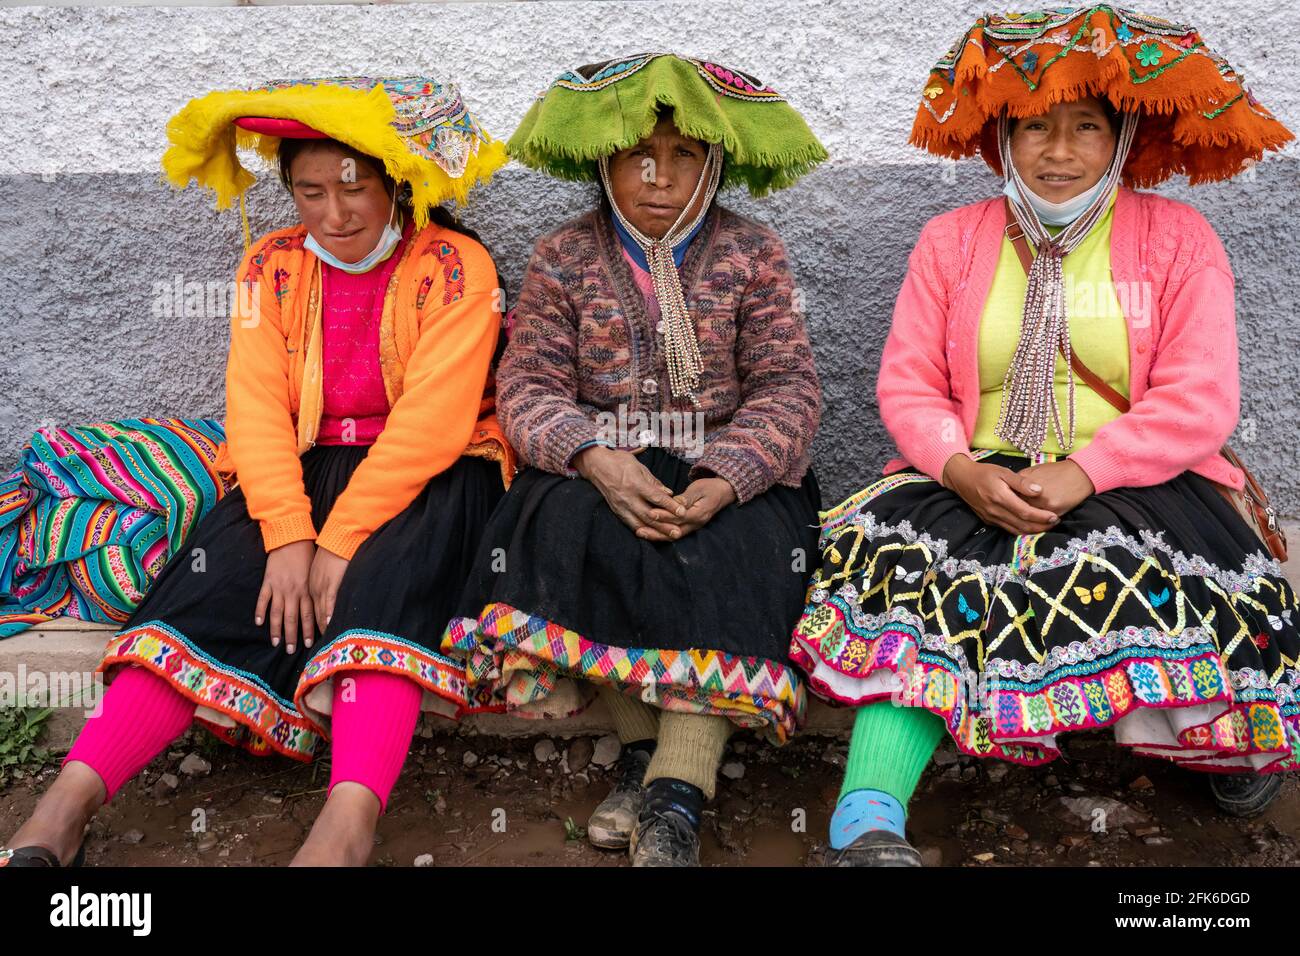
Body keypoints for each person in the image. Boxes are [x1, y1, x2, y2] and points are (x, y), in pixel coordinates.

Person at [790, 5, 1297, 866]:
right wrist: (958, 469)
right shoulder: (950, 242)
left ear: (1124, 136)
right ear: (1002, 141)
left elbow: (1201, 400)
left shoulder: (1180, 241)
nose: (1057, 153)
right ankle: (867, 821)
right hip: (971, 473)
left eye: (1085, 128)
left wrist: (1083, 473)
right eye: (1033, 128)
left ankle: (1226, 741)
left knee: (1126, 576)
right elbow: (908, 386)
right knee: (920, 575)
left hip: (1141, 480)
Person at [0, 76, 514, 867]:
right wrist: (284, 535)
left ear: (396, 187)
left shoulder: (455, 267)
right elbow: (257, 410)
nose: (335, 216)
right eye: (310, 193)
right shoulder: (268, 267)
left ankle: (345, 827)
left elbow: (431, 427)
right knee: (208, 586)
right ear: (290, 194)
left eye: (355, 190)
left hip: (431, 472)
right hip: (305, 466)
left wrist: (337, 544)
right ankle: (65, 804)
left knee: (380, 591)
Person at [444, 53, 827, 866]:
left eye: (683, 154)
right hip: (602, 466)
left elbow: (789, 388)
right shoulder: (562, 256)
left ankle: (673, 791)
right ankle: (650, 758)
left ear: (713, 164)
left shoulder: (754, 253)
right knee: (578, 534)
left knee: (730, 551)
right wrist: (598, 459)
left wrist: (727, 479)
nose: (659, 177)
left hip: (729, 469)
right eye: (637, 155)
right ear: (604, 161)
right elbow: (528, 388)